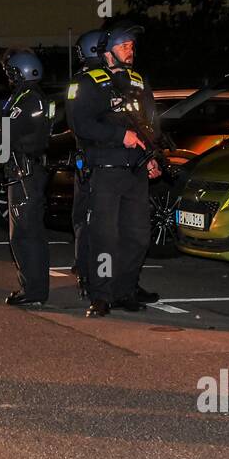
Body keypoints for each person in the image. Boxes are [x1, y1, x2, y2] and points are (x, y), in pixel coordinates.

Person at [67, 24, 161, 317]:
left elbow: (150, 123)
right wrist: (119, 137)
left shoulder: (137, 80)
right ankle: (101, 295)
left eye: (132, 46)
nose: (130, 51)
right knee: (104, 236)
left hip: (135, 170)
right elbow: (80, 124)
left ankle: (125, 289)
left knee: (137, 235)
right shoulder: (86, 83)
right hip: (105, 169)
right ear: (107, 53)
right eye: (123, 46)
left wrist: (151, 156)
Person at [0, 49, 52, 306]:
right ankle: (35, 288)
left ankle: (33, 290)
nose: (7, 76)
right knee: (29, 233)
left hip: (25, 174)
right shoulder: (30, 96)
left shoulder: (27, 99)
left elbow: (5, 131)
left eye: (10, 71)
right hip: (26, 171)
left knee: (24, 234)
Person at [67, 30, 107, 298]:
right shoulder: (110, 81)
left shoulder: (80, 82)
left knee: (83, 219)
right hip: (105, 162)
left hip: (90, 162)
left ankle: (85, 270)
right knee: (97, 221)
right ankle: (93, 273)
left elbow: (76, 123)